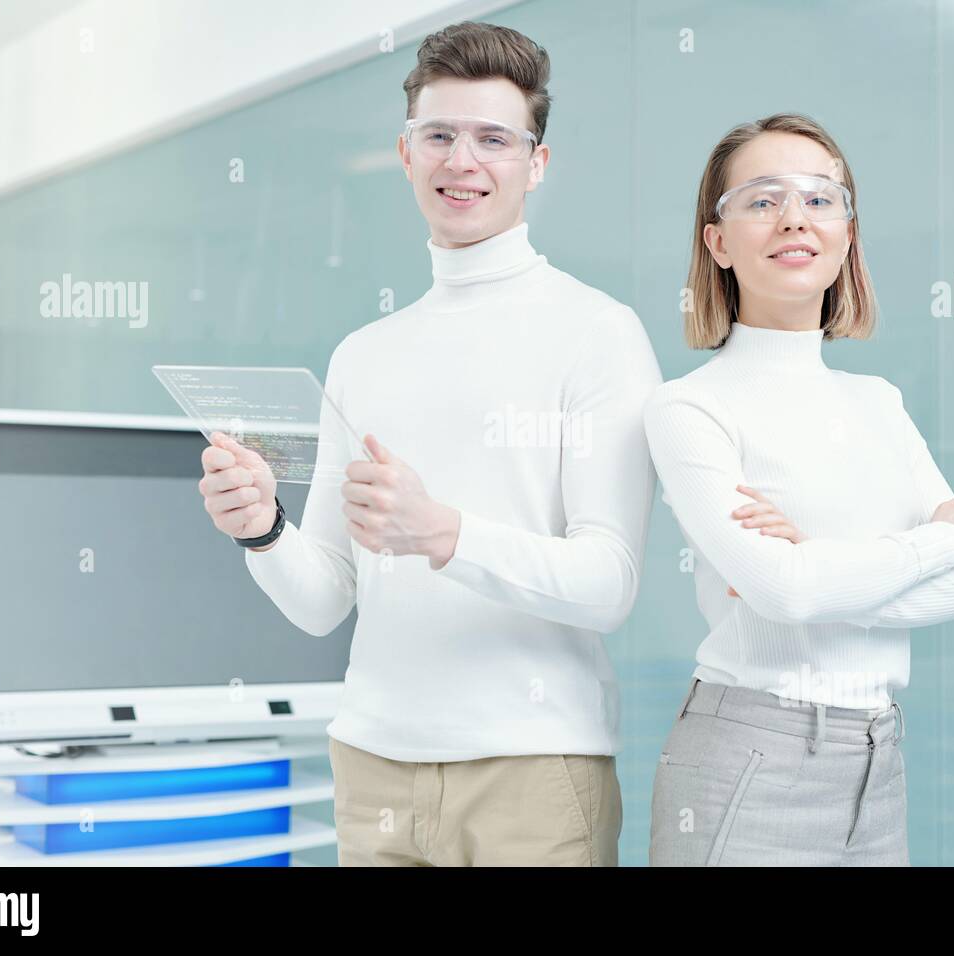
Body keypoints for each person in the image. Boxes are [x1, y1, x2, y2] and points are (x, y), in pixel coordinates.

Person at [197, 21, 661, 866]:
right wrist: (260, 529)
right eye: (438, 135)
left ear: (536, 163)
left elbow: (611, 583)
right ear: (405, 153)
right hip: (372, 767)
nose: (462, 161)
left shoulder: (598, 332)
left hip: (533, 773)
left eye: (493, 139)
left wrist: (445, 533)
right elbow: (324, 599)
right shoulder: (363, 353)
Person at [643, 113, 954, 866]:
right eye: (762, 199)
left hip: (878, 758)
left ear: (846, 234)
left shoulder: (880, 402)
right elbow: (789, 595)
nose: (794, 218)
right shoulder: (691, 407)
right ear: (718, 241)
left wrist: (818, 560)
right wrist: (948, 536)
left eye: (819, 198)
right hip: (750, 756)